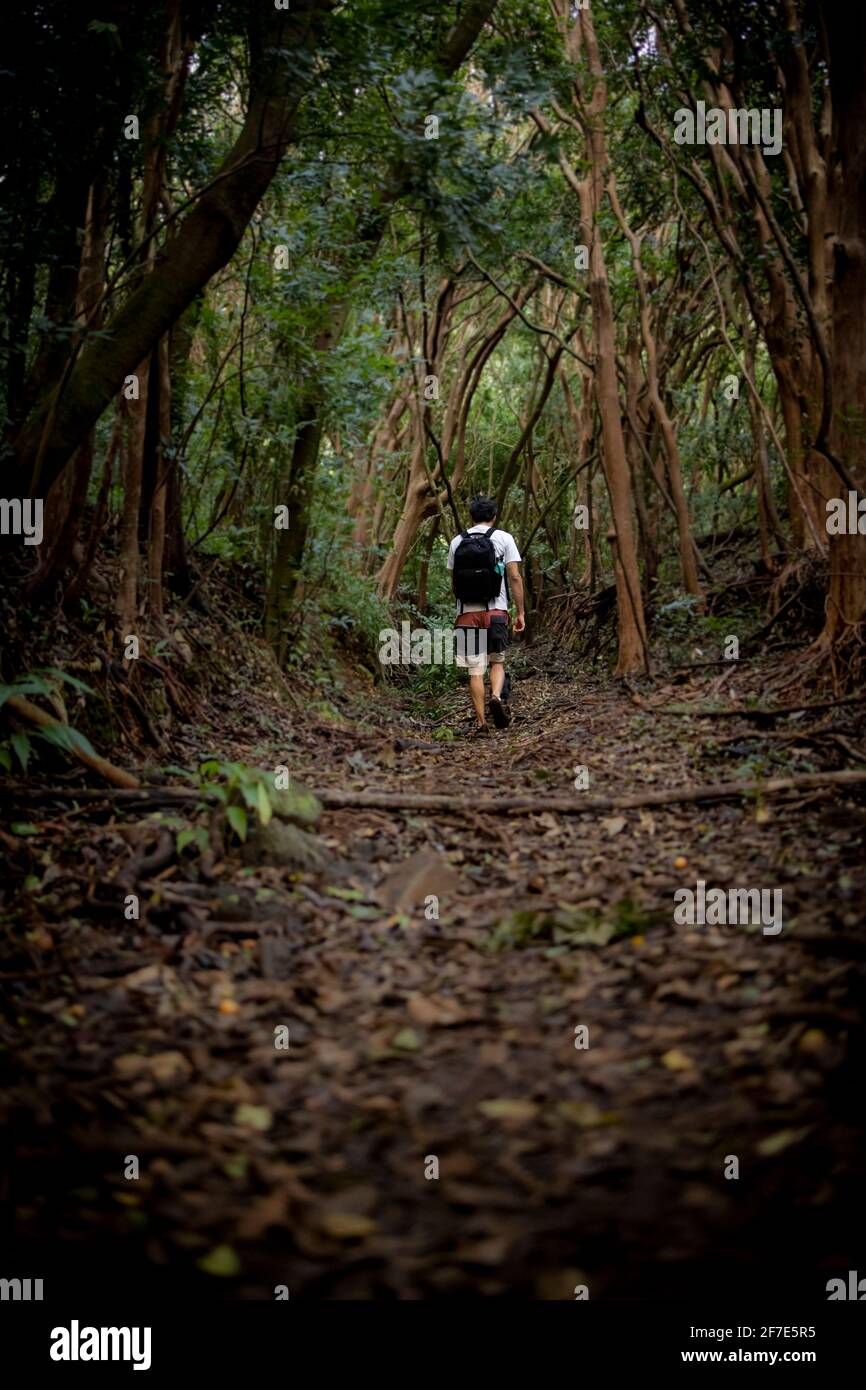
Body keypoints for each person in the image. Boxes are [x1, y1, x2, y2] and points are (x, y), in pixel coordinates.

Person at [447, 495, 525, 734]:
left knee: (475, 670)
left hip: (467, 615)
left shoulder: (457, 541)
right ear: (494, 516)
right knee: (497, 662)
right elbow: (514, 576)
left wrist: (461, 611)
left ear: (471, 516)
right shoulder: (504, 538)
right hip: (496, 613)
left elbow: (453, 582)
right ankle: (496, 697)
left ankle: (481, 722)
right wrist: (521, 612)